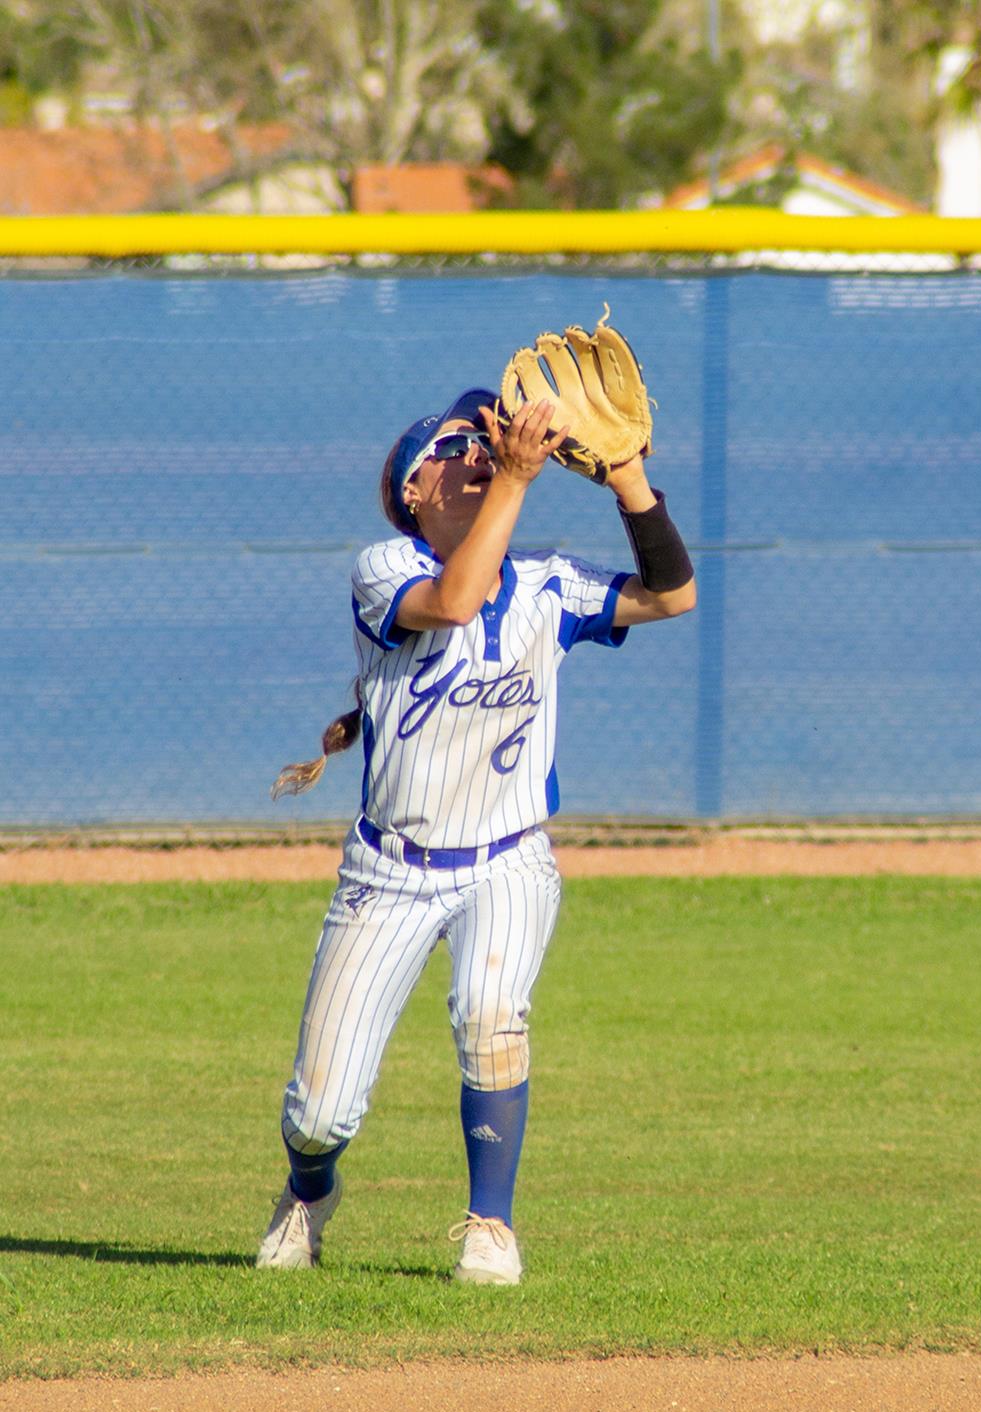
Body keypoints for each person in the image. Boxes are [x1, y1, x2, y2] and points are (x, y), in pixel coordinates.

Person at [256, 386, 696, 1282]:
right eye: (450, 451)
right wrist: (520, 478)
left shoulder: (547, 583)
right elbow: (455, 601)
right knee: (320, 1113)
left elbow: (673, 596)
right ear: (411, 492)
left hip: (508, 858)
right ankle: (309, 1191)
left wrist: (630, 481)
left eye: (480, 444)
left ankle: (489, 1225)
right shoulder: (384, 568)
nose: (474, 455)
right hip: (390, 871)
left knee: (492, 1016)